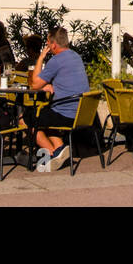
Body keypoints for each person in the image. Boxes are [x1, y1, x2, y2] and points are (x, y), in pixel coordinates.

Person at [27, 27, 89, 170]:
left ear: (53, 45)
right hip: (81, 113)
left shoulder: (56, 60)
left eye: (48, 43)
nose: (47, 46)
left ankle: (55, 152)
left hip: (66, 114)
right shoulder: (75, 56)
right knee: (47, 113)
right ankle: (60, 149)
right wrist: (47, 85)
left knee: (26, 118)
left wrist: (41, 57)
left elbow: (34, 84)